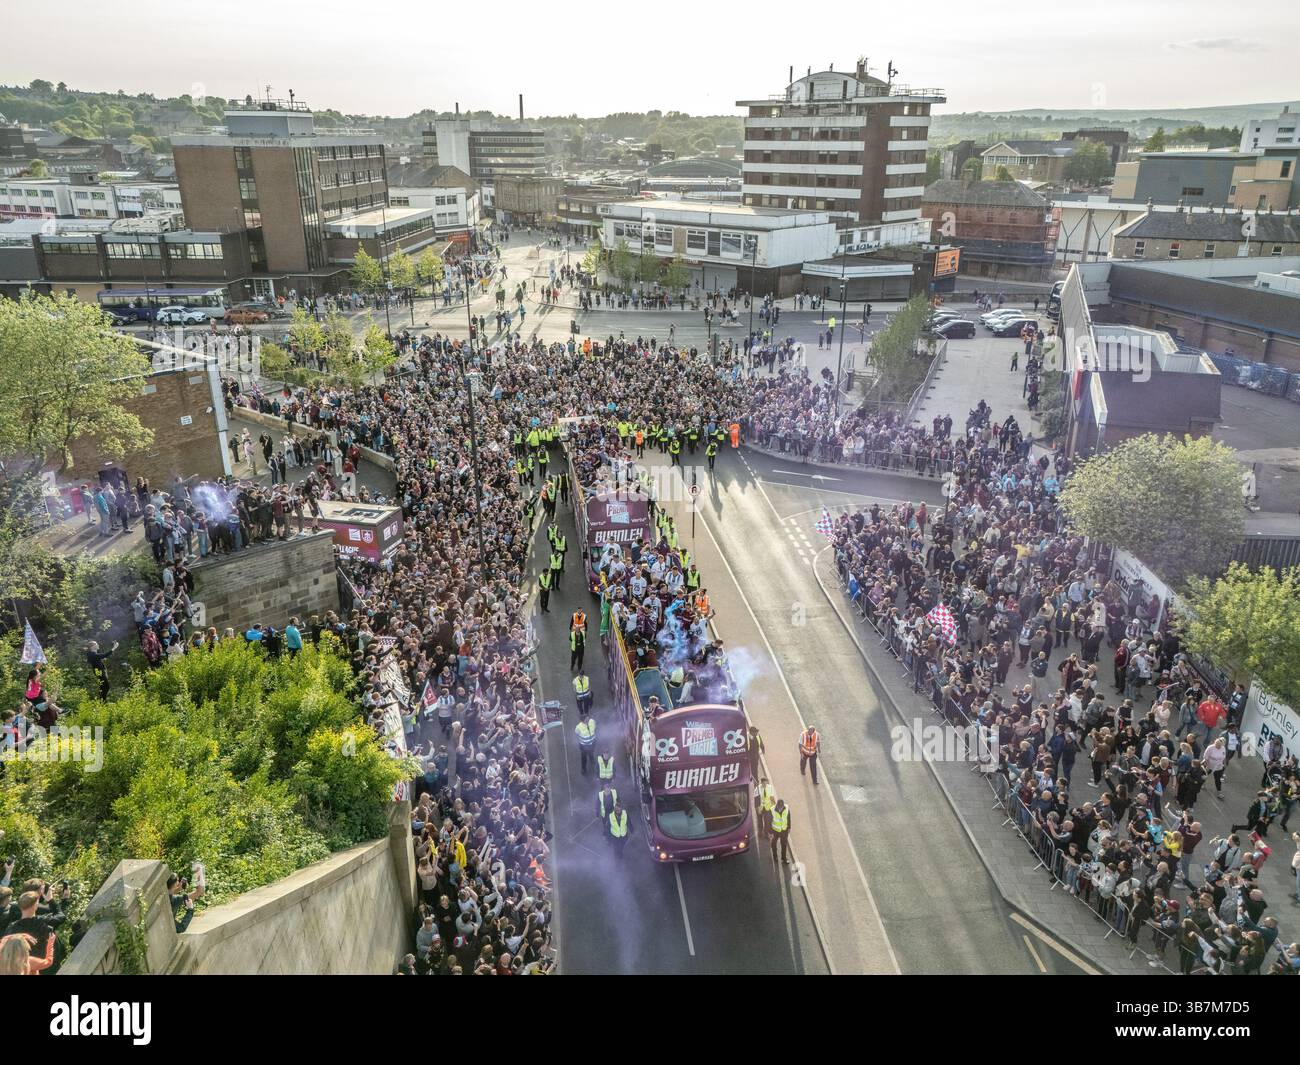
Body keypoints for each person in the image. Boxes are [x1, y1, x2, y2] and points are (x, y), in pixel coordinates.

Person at [769, 798, 791, 864]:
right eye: (779, 807)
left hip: (784, 830)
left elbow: (788, 818)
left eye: (781, 807)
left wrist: (789, 827)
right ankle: (775, 856)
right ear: (777, 805)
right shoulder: (772, 810)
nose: (780, 809)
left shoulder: (786, 808)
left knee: (784, 844)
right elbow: (768, 821)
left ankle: (784, 858)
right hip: (775, 830)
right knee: (773, 843)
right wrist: (770, 832)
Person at [575, 711, 596, 775]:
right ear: (582, 721)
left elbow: (595, 728)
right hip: (584, 746)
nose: (588, 719)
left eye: (588, 718)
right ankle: (583, 769)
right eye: (586, 719)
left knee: (591, 753)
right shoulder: (578, 727)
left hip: (592, 743)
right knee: (584, 758)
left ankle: (592, 761)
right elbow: (577, 733)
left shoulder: (592, 721)